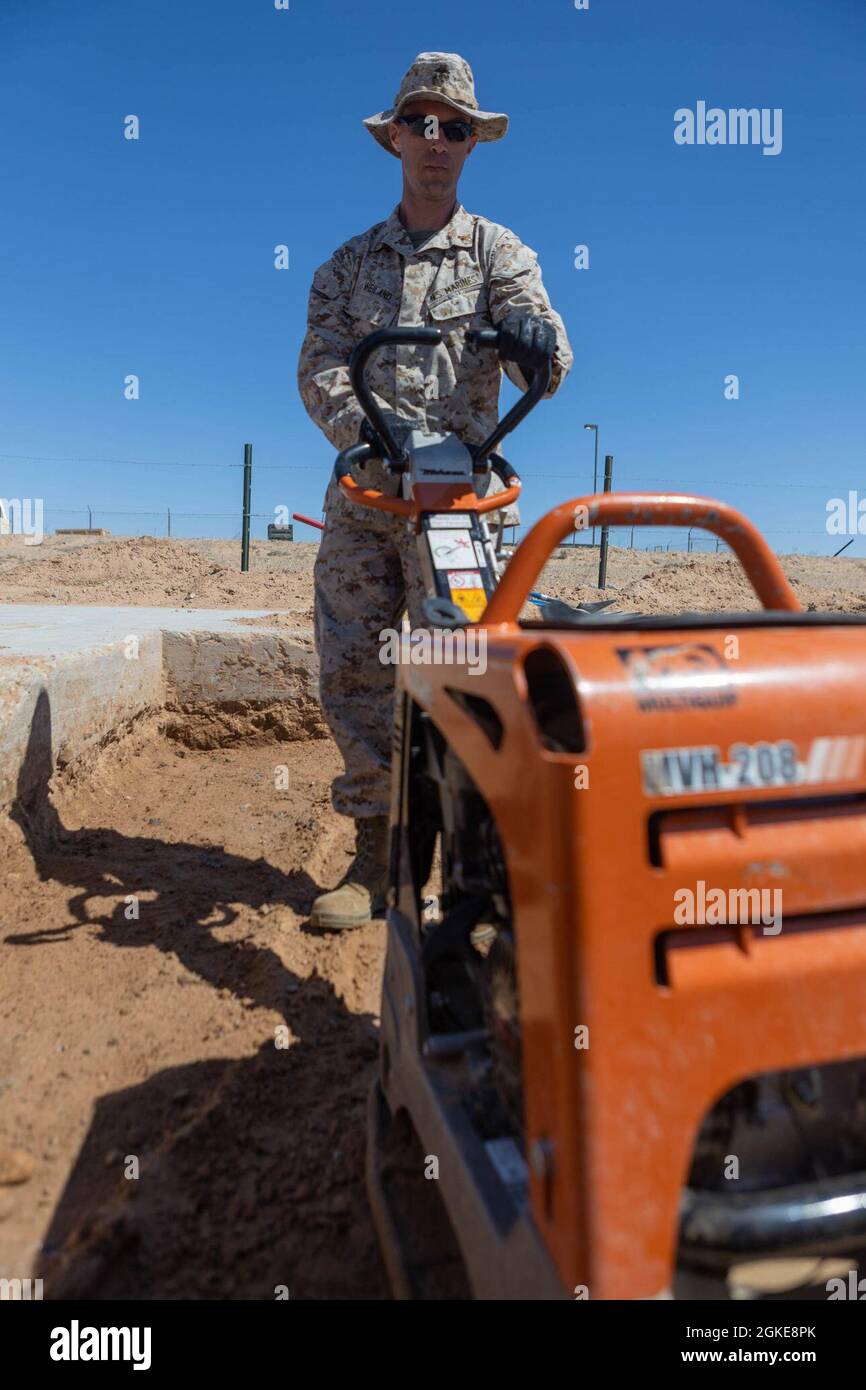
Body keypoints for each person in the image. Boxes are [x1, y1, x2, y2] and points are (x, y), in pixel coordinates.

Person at [298, 52, 573, 930]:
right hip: (370, 503)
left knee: (470, 675)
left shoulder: (502, 253)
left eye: (456, 128)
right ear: (396, 139)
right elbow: (320, 368)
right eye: (422, 123)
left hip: (465, 512)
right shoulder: (346, 265)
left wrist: (535, 342)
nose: (438, 141)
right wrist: (372, 443)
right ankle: (376, 859)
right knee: (356, 670)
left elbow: (554, 355)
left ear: (470, 145)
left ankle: (474, 873)